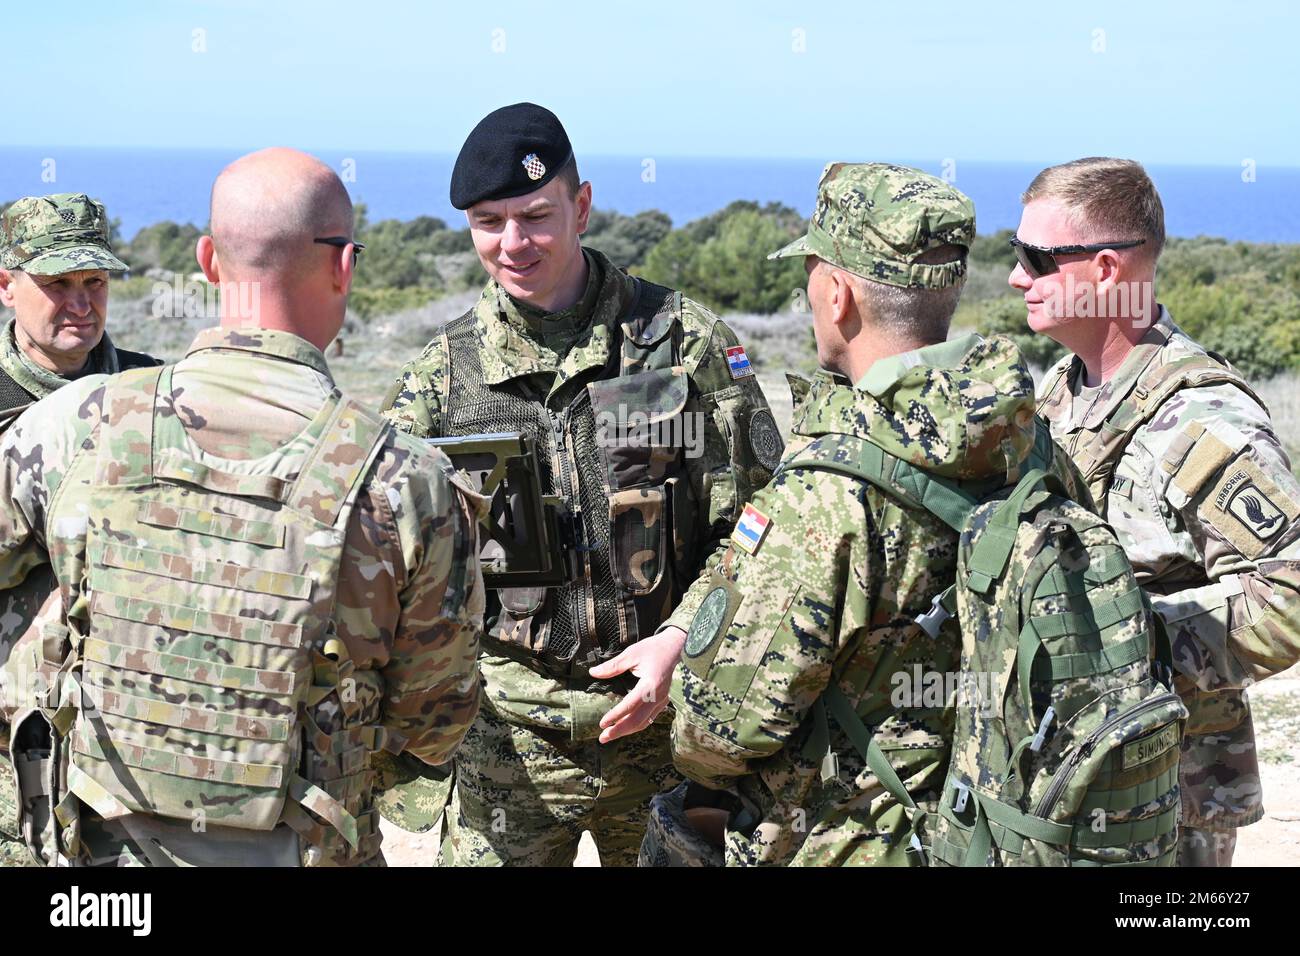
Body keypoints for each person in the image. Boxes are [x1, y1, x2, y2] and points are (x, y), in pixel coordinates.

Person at [0, 148, 485, 866]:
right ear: (344, 266)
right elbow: (433, 720)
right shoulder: (408, 479)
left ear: (207, 260)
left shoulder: (74, 423)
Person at [381, 102, 782, 866]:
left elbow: (761, 525)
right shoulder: (442, 381)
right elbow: (404, 566)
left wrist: (678, 637)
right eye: (488, 222)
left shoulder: (682, 342)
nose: (513, 243)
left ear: (583, 205)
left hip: (668, 733)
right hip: (508, 742)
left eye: (535, 215)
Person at [663, 163, 1086, 866]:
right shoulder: (1030, 441)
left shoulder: (826, 495)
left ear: (837, 294)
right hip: (998, 831)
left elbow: (719, 734)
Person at [1017, 157, 1300, 866]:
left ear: (1107, 269)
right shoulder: (1064, 390)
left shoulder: (1199, 421)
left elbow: (1290, 593)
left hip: (1164, 801)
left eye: (1036, 258)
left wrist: (1127, 644)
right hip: (1078, 783)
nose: (1017, 277)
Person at [0, 193, 160, 866]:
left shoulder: (159, 392)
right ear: (6, 285)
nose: (81, 302)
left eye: (94, 282)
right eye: (57, 284)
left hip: (137, 721)